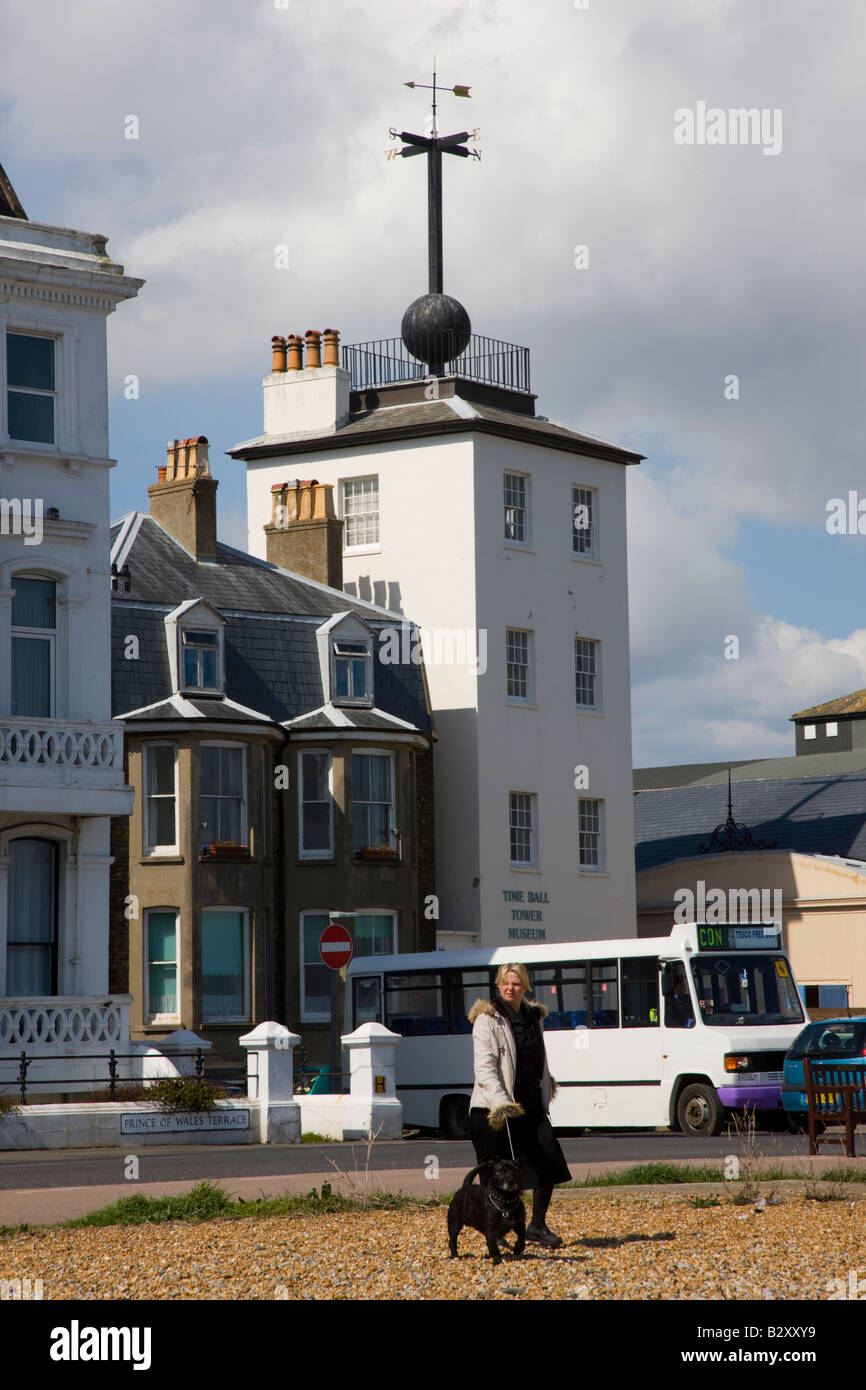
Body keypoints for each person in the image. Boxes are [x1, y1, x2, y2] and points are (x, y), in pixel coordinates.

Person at [468, 962, 572, 1248]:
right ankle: (494, 1230)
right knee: (495, 1175)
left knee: (548, 1161)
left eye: (516, 983)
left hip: (531, 1106)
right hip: (492, 1109)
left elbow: (537, 1059)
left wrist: (545, 1088)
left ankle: (537, 1225)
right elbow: (485, 1068)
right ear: (498, 985)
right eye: (505, 983)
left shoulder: (533, 1016)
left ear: (525, 987)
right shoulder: (487, 1019)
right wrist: (501, 1103)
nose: (510, 988)